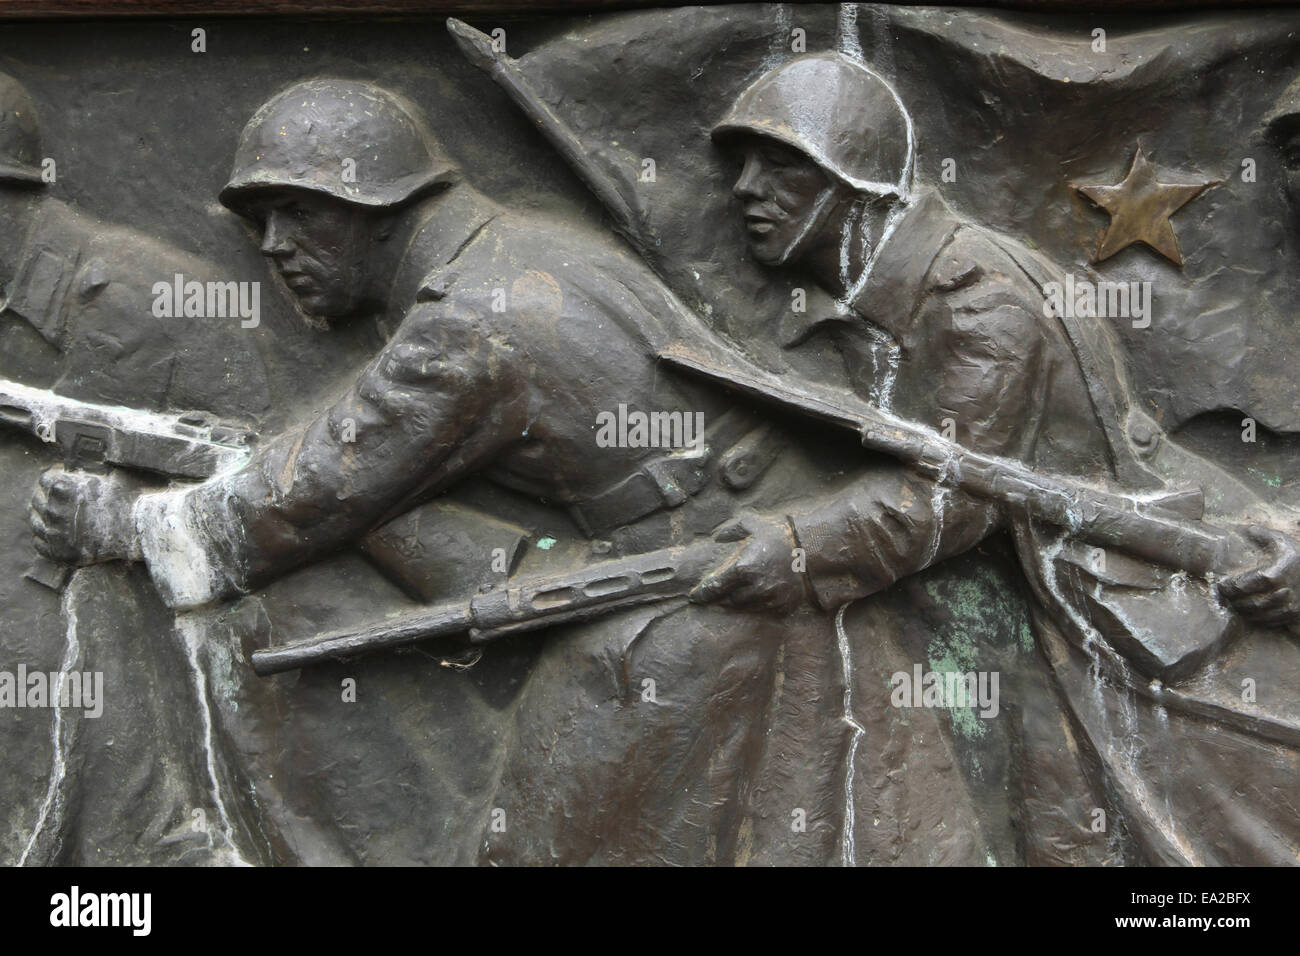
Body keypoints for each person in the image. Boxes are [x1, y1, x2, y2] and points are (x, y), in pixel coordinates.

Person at [701, 52, 1300, 864]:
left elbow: (949, 498)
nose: (744, 188)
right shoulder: (906, 279)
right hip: (1061, 597)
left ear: (853, 182)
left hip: (1120, 609)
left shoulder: (977, 298)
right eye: (742, 163)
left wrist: (801, 546)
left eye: (780, 165)